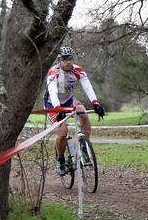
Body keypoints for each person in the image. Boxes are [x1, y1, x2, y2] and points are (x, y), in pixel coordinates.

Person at [45, 46, 104, 175]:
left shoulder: (77, 70)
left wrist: (95, 103)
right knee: (62, 132)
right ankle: (60, 159)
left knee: (83, 114)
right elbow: (53, 93)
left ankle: (84, 146)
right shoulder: (53, 73)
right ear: (59, 60)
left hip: (69, 100)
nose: (68, 62)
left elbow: (87, 86)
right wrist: (58, 109)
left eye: (70, 59)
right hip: (52, 104)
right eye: (65, 59)